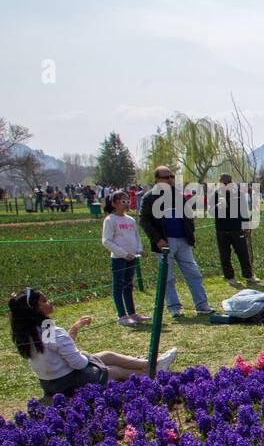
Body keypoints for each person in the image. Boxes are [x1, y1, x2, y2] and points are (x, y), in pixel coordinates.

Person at [9, 288, 175, 398]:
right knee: (115, 371)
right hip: (69, 382)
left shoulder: (27, 333)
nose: (49, 302)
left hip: (50, 384)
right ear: (35, 309)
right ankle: (152, 374)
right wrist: (86, 357)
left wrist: (73, 330)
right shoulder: (53, 332)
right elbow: (79, 364)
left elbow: (54, 350)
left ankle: (152, 363)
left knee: (106, 355)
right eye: (44, 301)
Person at [139, 165, 212, 319]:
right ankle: (174, 308)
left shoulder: (177, 194)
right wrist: (157, 239)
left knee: (194, 273)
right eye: (166, 177)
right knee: (168, 277)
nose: (170, 179)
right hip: (165, 243)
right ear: (157, 179)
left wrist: (190, 233)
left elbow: (188, 215)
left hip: (183, 241)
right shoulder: (149, 197)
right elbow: (144, 221)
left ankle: (202, 305)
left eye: (171, 176)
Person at [100, 190, 146, 326]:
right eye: (123, 201)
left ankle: (132, 313)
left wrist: (139, 250)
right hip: (119, 259)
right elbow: (106, 241)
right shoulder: (110, 220)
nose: (126, 204)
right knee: (118, 286)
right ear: (114, 203)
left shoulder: (130, 220)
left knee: (128, 285)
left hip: (132, 258)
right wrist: (124, 254)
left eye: (128, 201)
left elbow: (136, 236)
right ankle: (122, 315)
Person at [212, 173, 259, 289]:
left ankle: (248, 276)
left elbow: (244, 211)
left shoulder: (238, 194)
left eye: (228, 182)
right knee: (225, 254)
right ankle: (230, 277)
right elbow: (210, 212)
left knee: (243, 253)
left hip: (237, 229)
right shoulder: (215, 195)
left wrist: (247, 227)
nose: (226, 184)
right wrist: (217, 206)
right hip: (222, 229)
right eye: (223, 182)